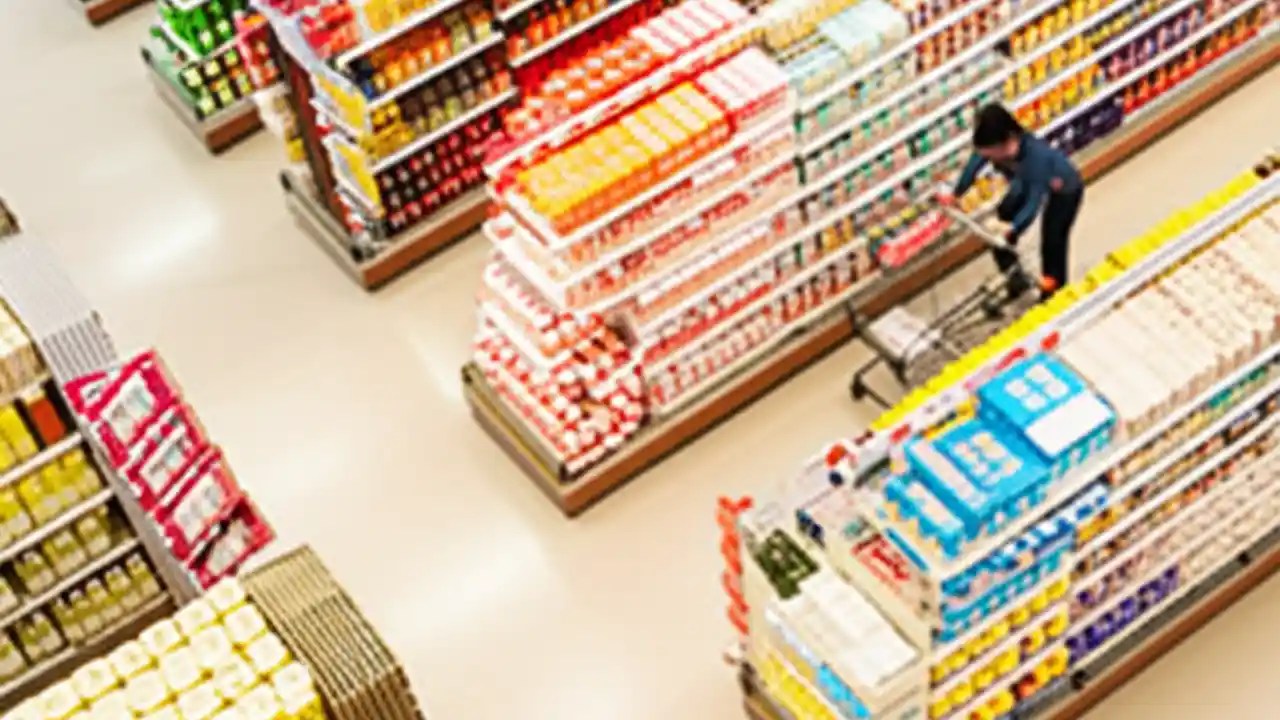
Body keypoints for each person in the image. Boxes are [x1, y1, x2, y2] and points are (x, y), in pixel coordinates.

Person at [938, 104, 1084, 301]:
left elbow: (1032, 202)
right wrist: (956, 194)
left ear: (1007, 142)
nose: (989, 159)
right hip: (1022, 181)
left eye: (991, 154)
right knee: (1001, 225)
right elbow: (976, 162)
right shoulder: (998, 145)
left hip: (1064, 189)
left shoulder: (1035, 158)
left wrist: (1013, 228)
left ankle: (1055, 293)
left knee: (1053, 241)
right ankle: (1016, 280)